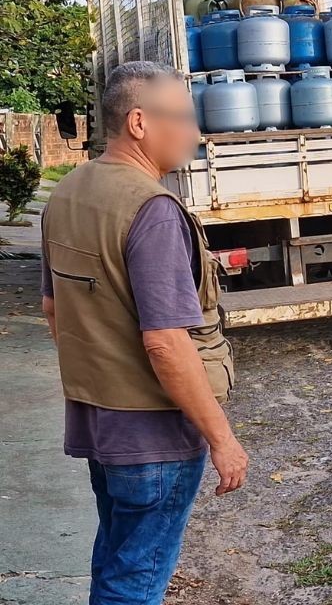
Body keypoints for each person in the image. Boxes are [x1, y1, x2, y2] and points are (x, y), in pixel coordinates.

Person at [40, 61, 248, 605]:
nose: (195, 133)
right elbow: (165, 342)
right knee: (136, 580)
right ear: (139, 122)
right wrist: (222, 440)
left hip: (100, 427)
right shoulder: (151, 210)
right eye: (183, 117)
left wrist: (103, 374)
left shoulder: (69, 192)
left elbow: (52, 308)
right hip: (153, 437)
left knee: (117, 558)